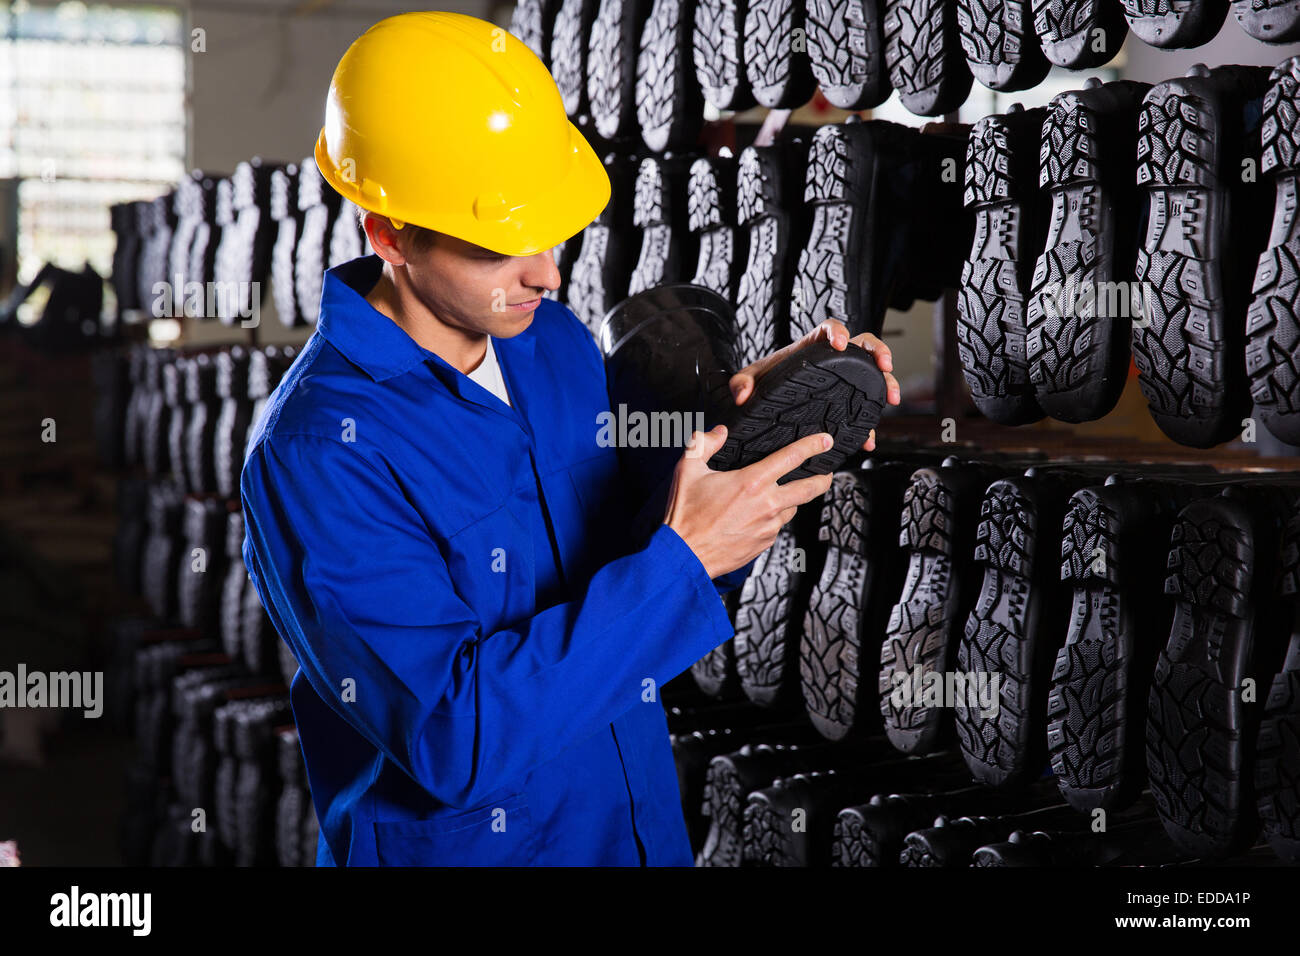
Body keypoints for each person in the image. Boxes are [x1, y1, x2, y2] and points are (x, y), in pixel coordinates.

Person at [239, 10, 901, 866]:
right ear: (389, 233)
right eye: (498, 247)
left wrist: (737, 443)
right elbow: (453, 737)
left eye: (549, 231)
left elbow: (625, 550)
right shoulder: (322, 453)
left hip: (631, 830)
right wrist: (684, 561)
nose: (548, 273)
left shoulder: (546, 343)